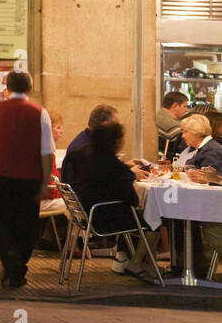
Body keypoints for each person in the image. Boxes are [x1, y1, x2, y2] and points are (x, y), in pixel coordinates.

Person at [0, 70, 54, 288]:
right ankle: (16, 266)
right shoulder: (40, 113)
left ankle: (11, 263)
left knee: (0, 224)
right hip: (29, 179)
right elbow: (46, 152)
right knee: (27, 227)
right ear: (30, 89)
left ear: (6, 88)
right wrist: (45, 181)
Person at [67, 122, 158, 280]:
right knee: (154, 221)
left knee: (134, 214)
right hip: (103, 219)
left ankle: (132, 261)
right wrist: (128, 172)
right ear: (115, 142)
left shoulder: (80, 156)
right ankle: (136, 264)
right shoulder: (115, 168)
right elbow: (133, 200)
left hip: (83, 215)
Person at [59, 104, 119, 185]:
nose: (118, 130)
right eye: (115, 126)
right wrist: (130, 174)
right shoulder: (84, 148)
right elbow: (99, 179)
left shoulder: (88, 140)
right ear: (104, 124)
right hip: (85, 196)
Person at [157, 91, 190, 159]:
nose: (187, 110)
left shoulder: (160, 114)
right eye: (185, 106)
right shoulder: (170, 123)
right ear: (175, 106)